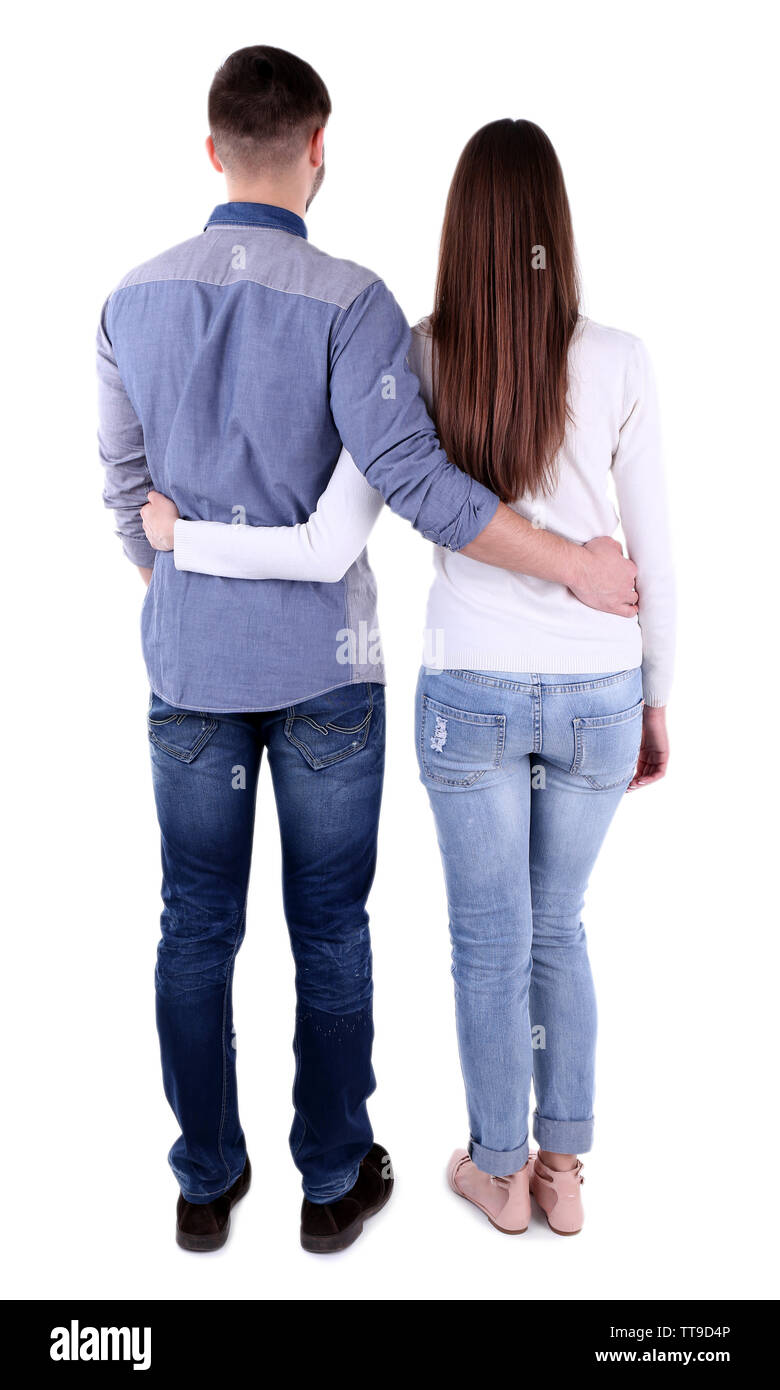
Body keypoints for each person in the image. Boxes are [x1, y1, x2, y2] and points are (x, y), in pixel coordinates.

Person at [100, 47, 640, 1255]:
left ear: (211, 150)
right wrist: (576, 564)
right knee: (333, 930)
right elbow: (415, 486)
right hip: (330, 676)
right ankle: (335, 1182)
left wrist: (185, 592)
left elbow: (124, 493)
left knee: (194, 926)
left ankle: (204, 1186)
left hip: (189, 675)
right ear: (318, 146)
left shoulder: (129, 300)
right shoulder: (354, 306)